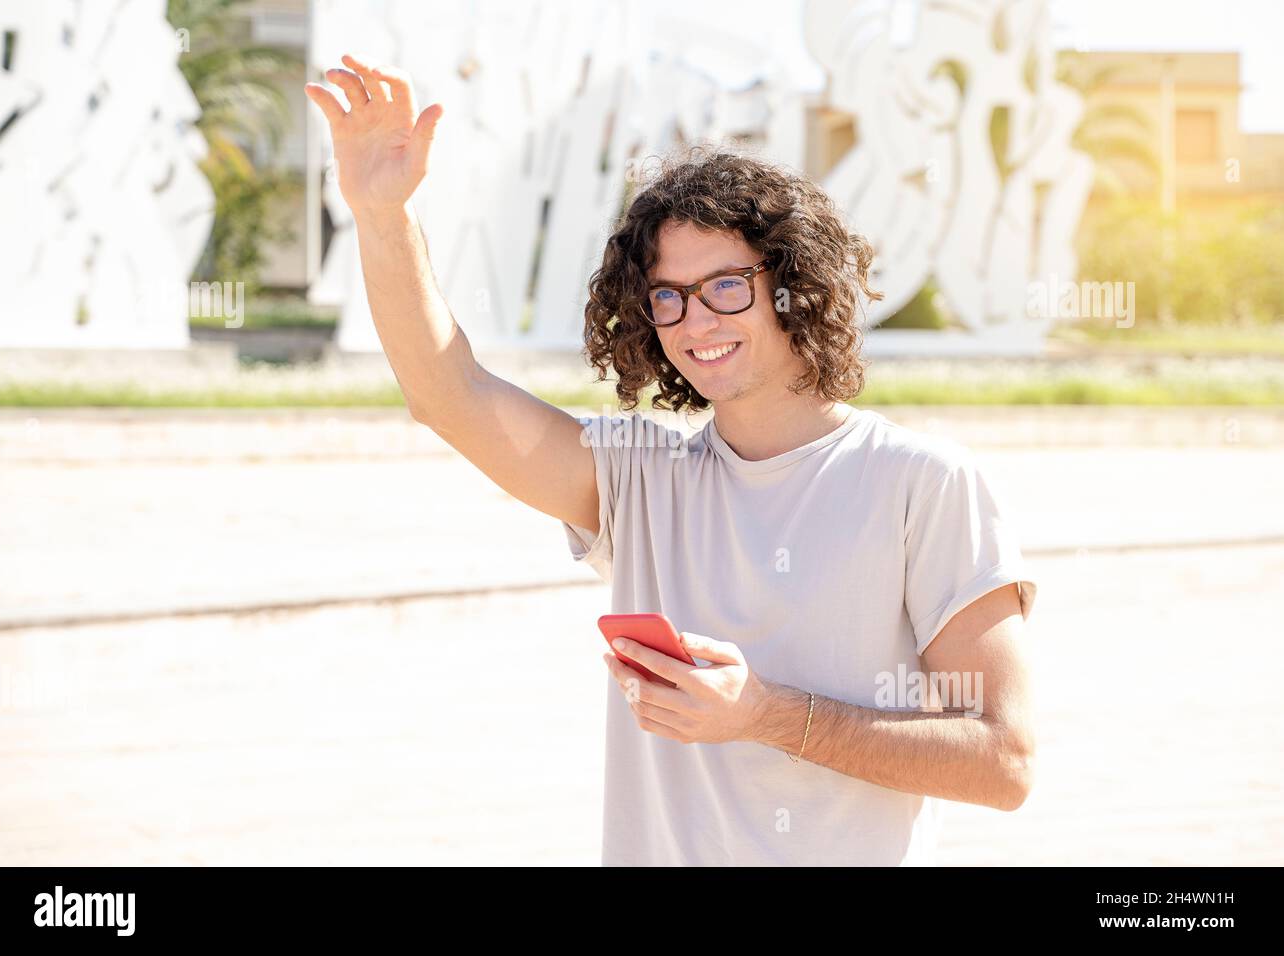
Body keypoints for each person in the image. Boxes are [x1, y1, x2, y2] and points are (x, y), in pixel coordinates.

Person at [306, 54, 1038, 866]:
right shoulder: (637, 477)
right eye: (667, 296)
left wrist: (762, 713)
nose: (695, 320)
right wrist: (382, 217)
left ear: (797, 284)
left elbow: (1004, 761)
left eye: (727, 286)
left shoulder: (924, 484)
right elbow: (450, 395)